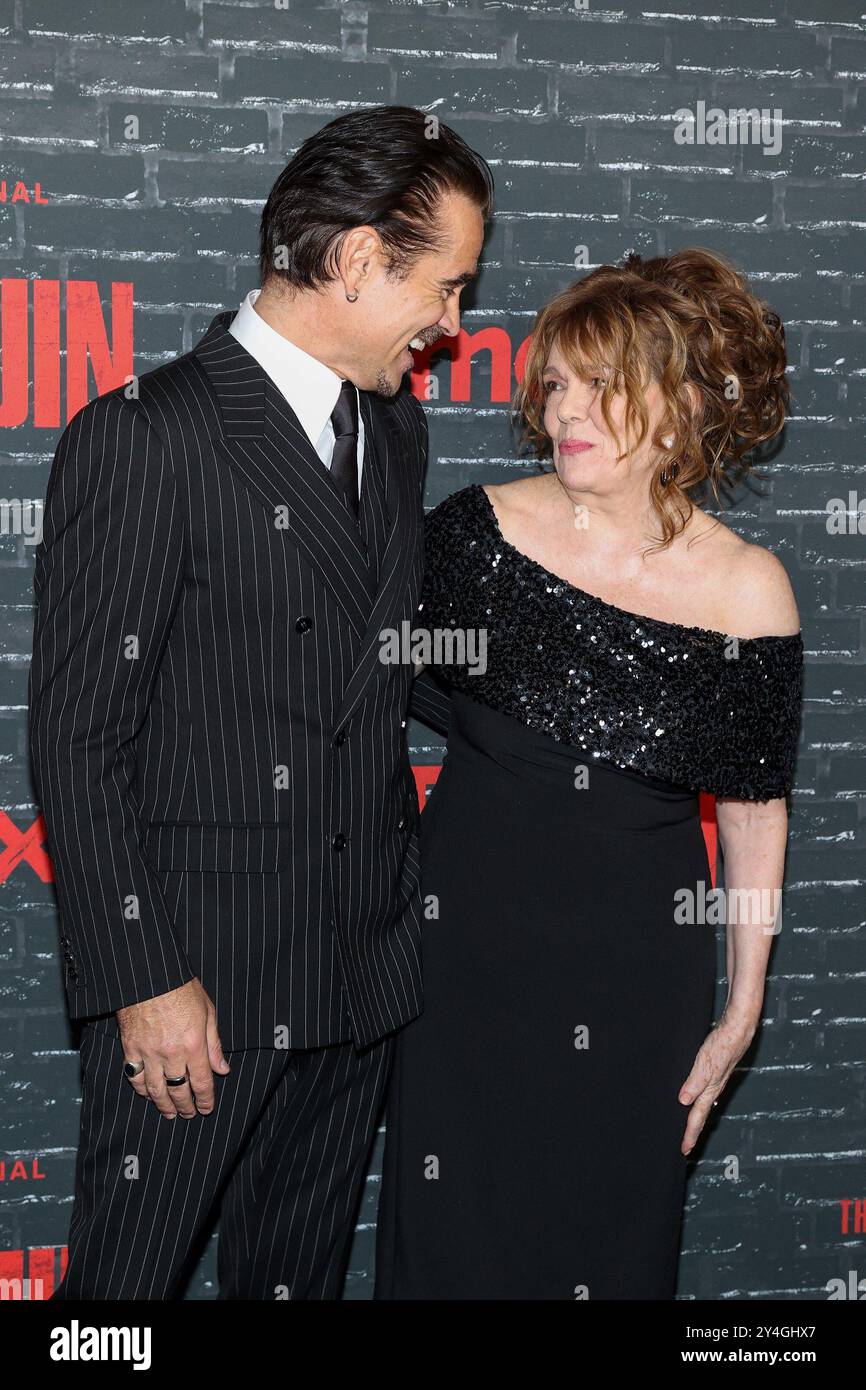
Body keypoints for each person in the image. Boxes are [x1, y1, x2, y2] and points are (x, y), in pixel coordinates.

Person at [28, 104, 490, 1300]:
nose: (454, 324)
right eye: (444, 288)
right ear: (350, 261)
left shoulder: (390, 430)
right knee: (116, 1303)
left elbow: (375, 669)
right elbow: (79, 741)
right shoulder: (148, 436)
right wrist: (143, 979)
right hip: (199, 987)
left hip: (357, 967)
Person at [376, 247, 804, 1300]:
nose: (566, 409)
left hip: (631, 987)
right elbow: (354, 689)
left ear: (683, 403)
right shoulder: (475, 538)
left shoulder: (748, 591)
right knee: (449, 1244)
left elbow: (753, 810)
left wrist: (740, 1005)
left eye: (600, 384)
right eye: (556, 381)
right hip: (461, 968)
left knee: (604, 1251)